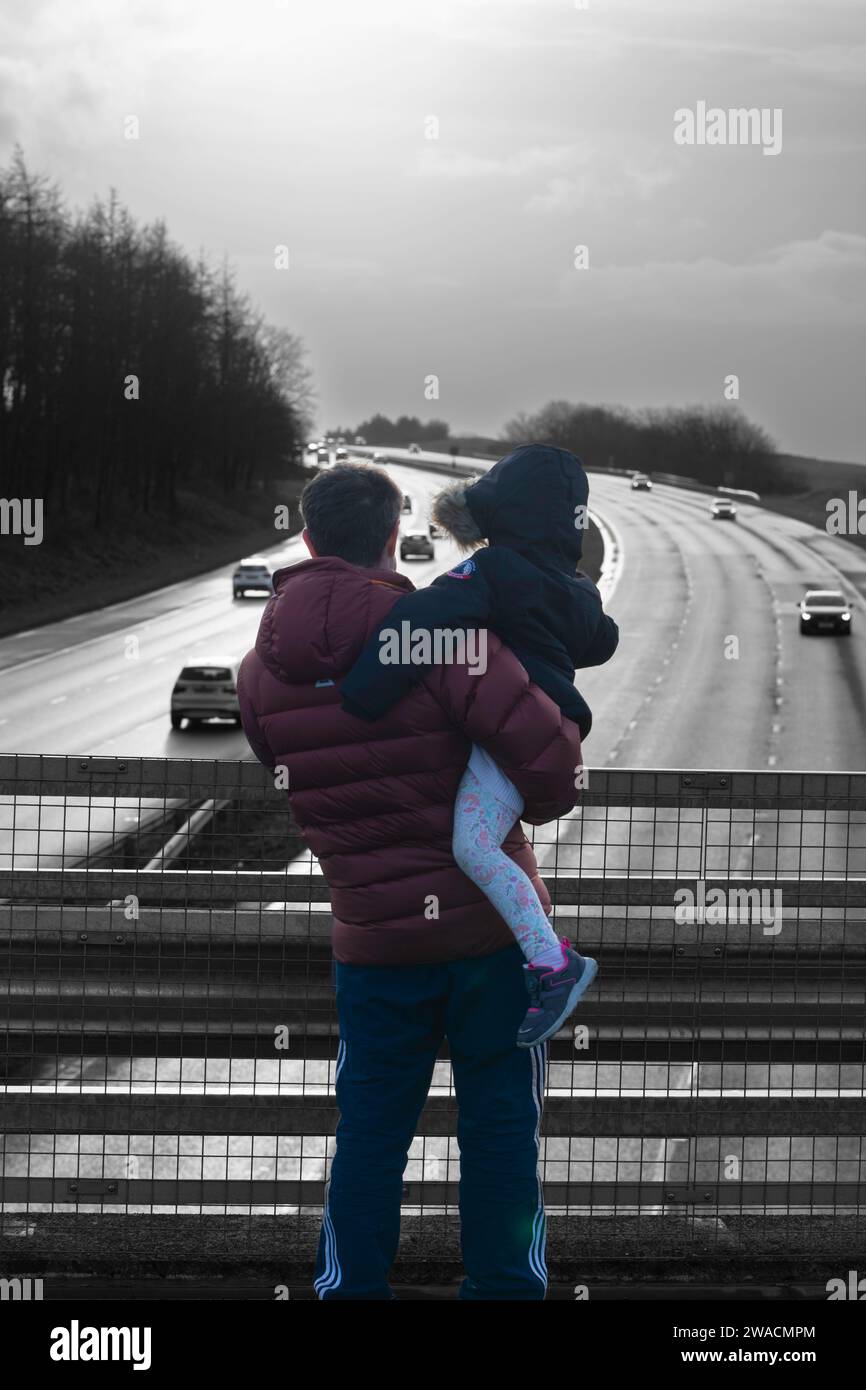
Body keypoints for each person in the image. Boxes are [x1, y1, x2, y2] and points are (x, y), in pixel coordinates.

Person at [237, 461, 582, 1300]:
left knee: (369, 1135)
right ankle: (502, 1290)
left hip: (371, 940)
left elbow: (288, 771)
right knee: (501, 1128)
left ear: (309, 537)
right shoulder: (445, 634)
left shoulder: (259, 669)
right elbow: (554, 773)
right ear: (393, 537)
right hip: (490, 944)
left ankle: (352, 1291)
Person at [340, 444, 619, 1047]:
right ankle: (546, 956)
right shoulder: (570, 590)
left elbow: (422, 617)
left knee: (472, 845)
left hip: (517, 734)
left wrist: (364, 691)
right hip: (551, 732)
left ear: (500, 514)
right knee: (486, 839)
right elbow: (602, 642)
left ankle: (553, 963)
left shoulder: (490, 572)